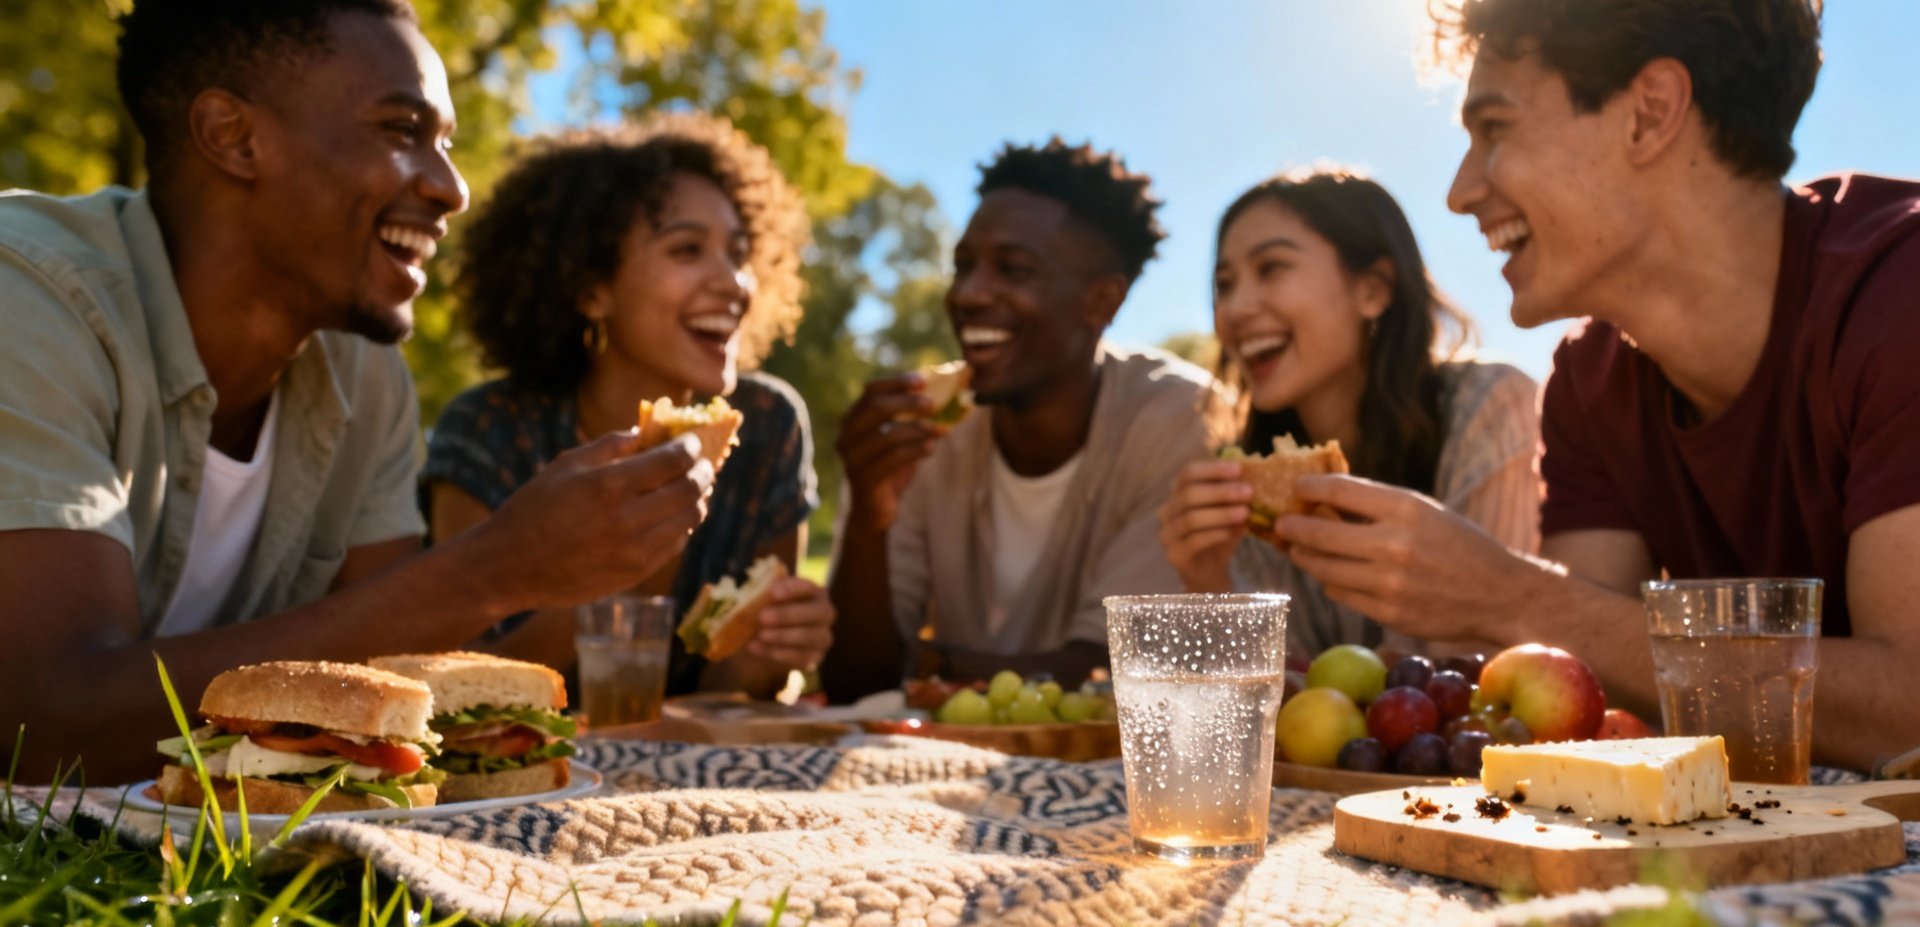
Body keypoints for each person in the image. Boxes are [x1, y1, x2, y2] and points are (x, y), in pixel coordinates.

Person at [0, 0, 713, 783]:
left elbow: (382, 690)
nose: (453, 190)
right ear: (235, 138)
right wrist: (491, 569)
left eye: (446, 144)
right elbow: (40, 723)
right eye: (403, 132)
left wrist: (558, 573)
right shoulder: (30, 298)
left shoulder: (367, 376)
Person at [1273, 0, 1920, 772]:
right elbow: (1585, 687)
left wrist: (1509, 593)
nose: (1459, 190)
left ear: (1649, 114)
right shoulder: (1590, 381)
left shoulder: (1899, 291)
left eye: (1494, 130)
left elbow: (1909, 707)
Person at [421, 116, 833, 699]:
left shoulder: (767, 427)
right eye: (688, 249)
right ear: (592, 288)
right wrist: (614, 581)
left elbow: (730, 696)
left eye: (738, 254)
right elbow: (450, 687)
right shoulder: (489, 431)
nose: (734, 283)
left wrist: (769, 655)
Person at [822, 139, 1217, 700]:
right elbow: (854, 683)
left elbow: (1111, 673)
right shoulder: (922, 430)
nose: (970, 294)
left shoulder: (1176, 419)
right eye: (963, 267)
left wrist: (929, 663)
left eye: (1014, 269)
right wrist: (869, 516)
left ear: (1101, 303)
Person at [1156, 168, 1538, 660]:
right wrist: (1207, 581)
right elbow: (1278, 707)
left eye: (1271, 268)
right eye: (1224, 284)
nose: (1235, 307)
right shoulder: (1252, 484)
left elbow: (1463, 672)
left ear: (1373, 291)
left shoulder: (1488, 405)